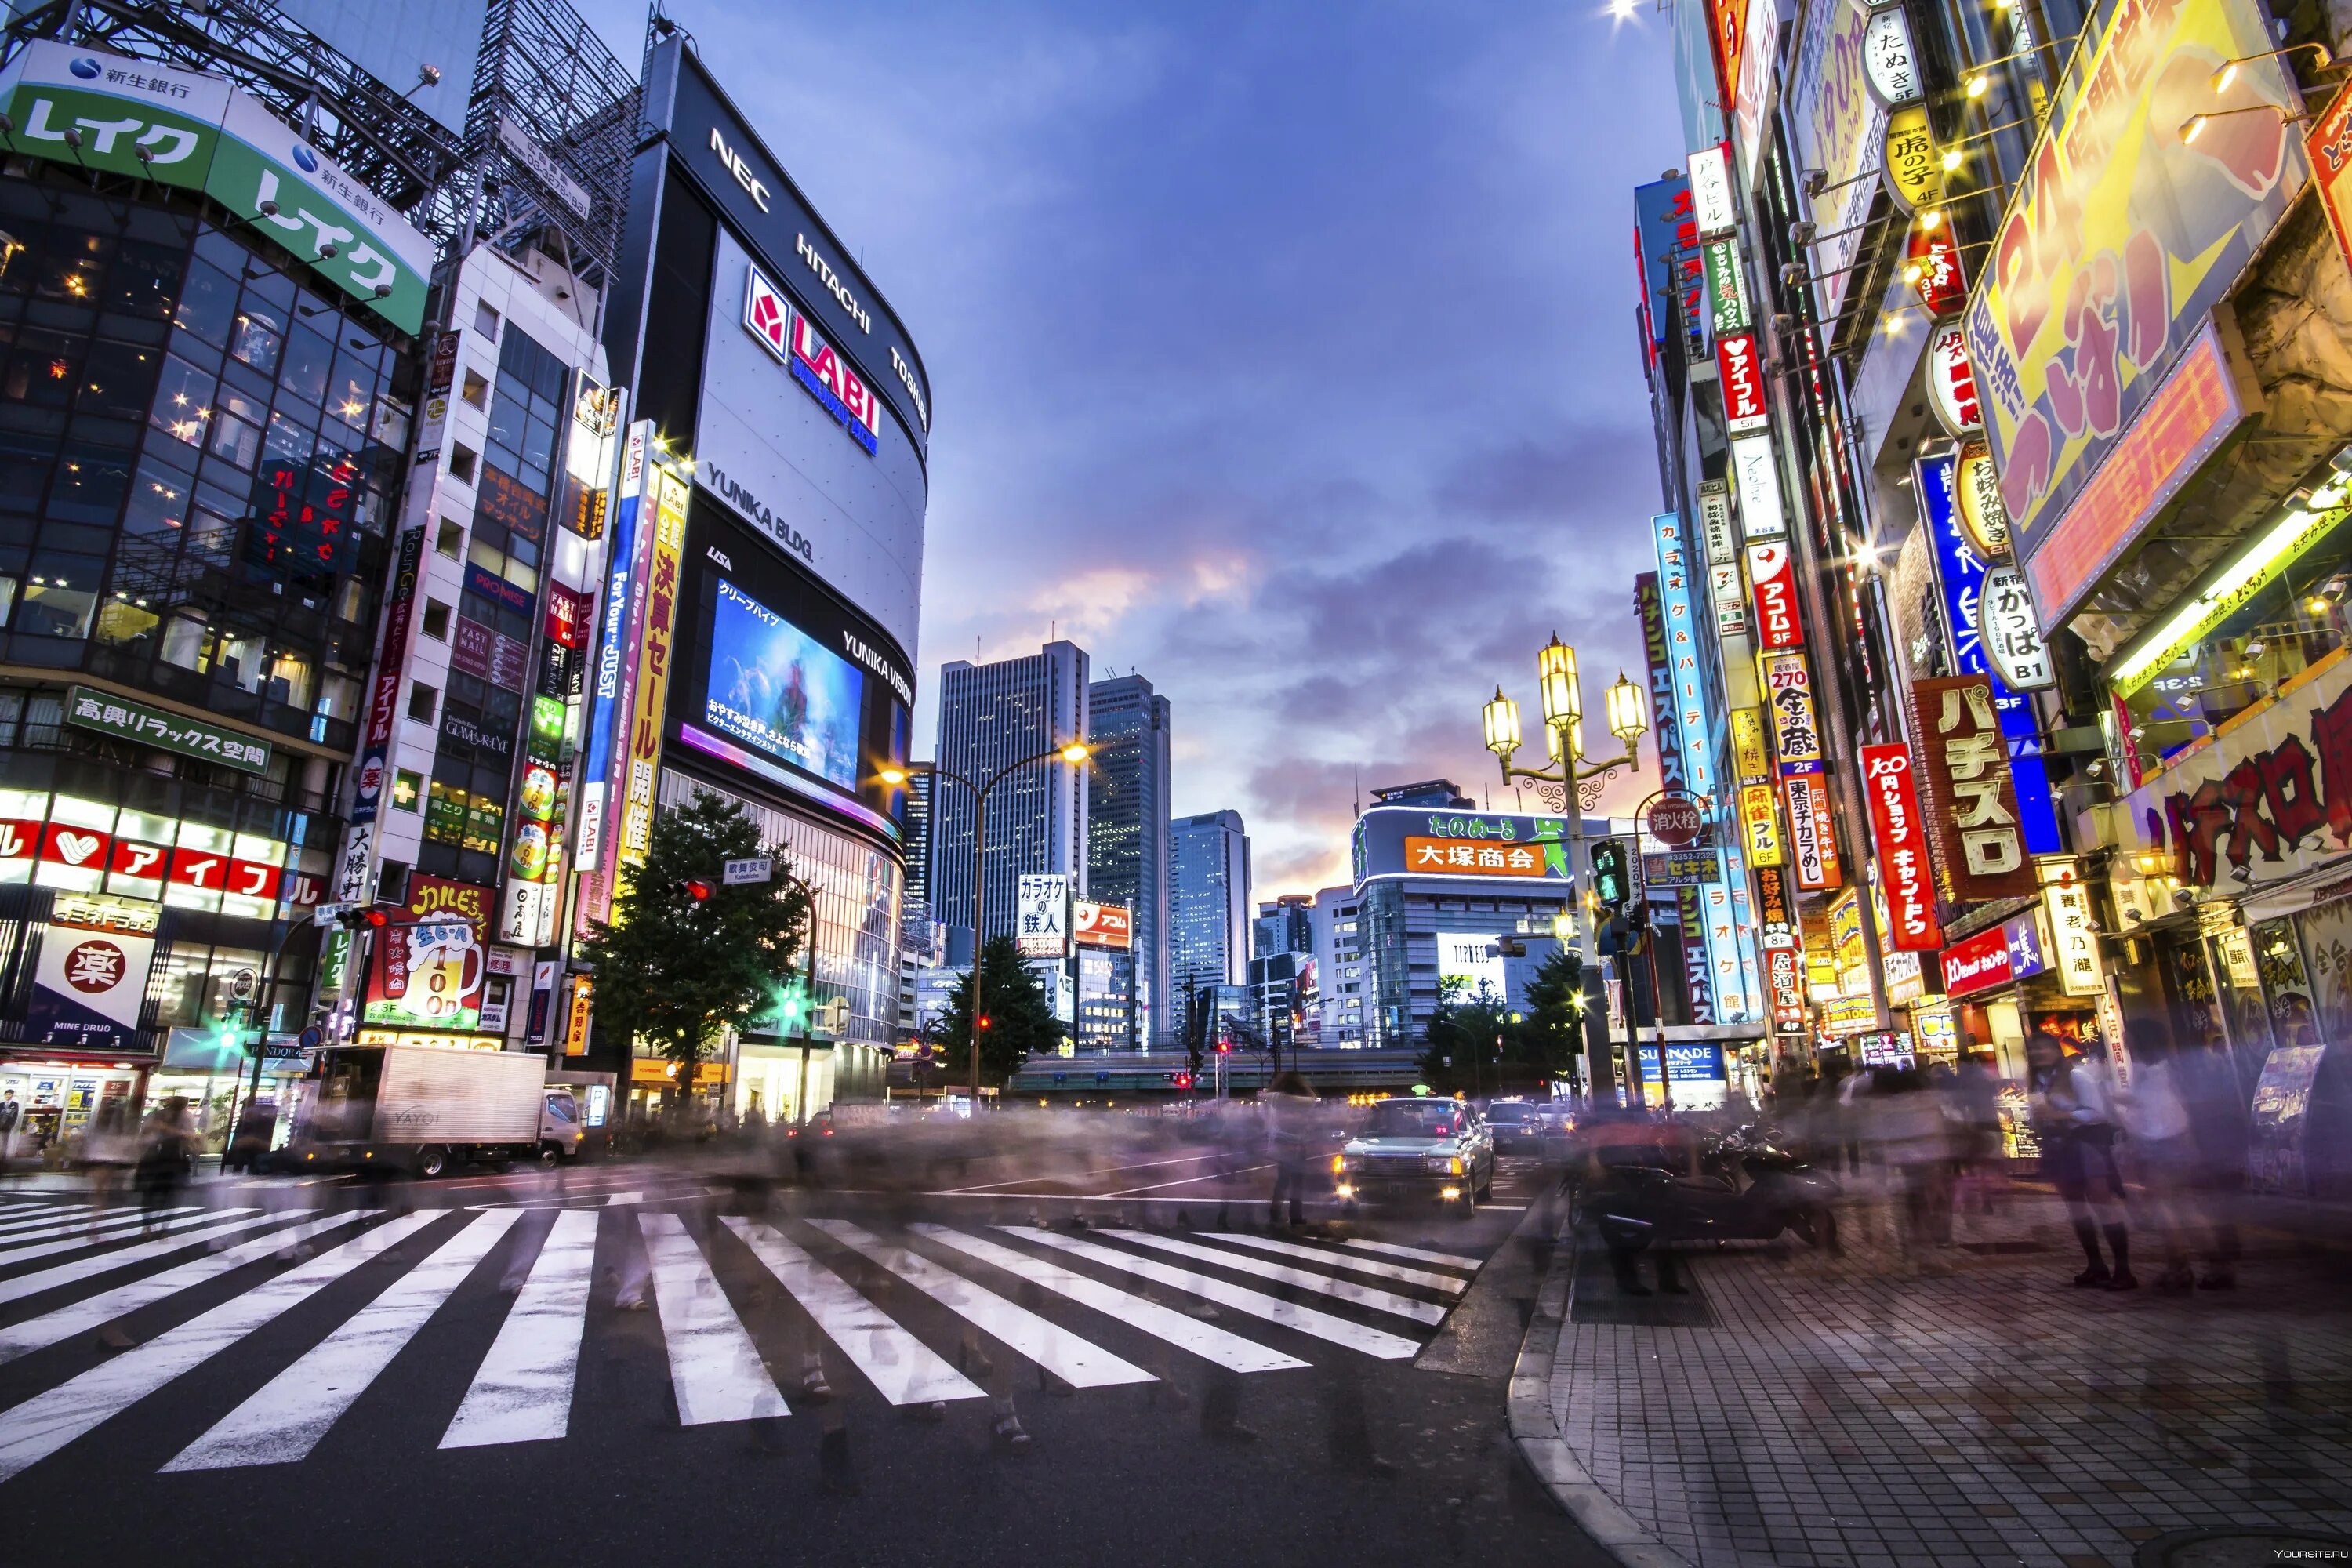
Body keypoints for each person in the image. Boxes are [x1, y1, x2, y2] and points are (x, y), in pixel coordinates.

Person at [2025, 1029, 2133, 1289]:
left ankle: (2124, 1270)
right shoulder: (2038, 1082)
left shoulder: (2077, 1076)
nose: (2039, 1053)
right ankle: (2095, 1265)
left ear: (2056, 1051)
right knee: (2075, 1208)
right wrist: (2038, 1119)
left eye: (2045, 1047)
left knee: (2102, 1203)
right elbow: (2036, 1115)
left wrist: (2059, 1116)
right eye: (2034, 1049)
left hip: (2086, 1146)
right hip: (2059, 1147)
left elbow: (2097, 1113)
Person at [2112, 1018, 2200, 1290]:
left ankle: (2179, 1268)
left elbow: (2145, 1107)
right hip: (2182, 1140)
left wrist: (2112, 1099)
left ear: (2139, 1039)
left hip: (2157, 1142)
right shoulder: (2172, 1065)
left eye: (2128, 1035)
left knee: (2164, 1207)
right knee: (2185, 1204)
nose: (2124, 1039)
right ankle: (2217, 1265)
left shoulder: (2145, 1070)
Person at [1263, 1072, 1320, 1228]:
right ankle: (1295, 1216)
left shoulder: (1275, 1098)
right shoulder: (1300, 1101)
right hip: (1297, 1143)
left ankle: (1274, 1214)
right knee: (1297, 1183)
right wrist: (1303, 1085)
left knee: (1282, 1182)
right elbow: (1313, 1098)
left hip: (1281, 1142)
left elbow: (1264, 1095)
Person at [132, 1097, 197, 1234]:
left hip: (171, 1158)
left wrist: (169, 1130)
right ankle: (150, 1226)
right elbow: (144, 1134)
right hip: (157, 1157)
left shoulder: (185, 1118)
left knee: (167, 1194)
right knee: (155, 1193)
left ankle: (156, 1227)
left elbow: (190, 1136)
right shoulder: (157, 1115)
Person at [0, 1090, 19, 1162]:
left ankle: (3, 1156)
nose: (8, 1096)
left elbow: (14, 1116)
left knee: (5, 1141)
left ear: (12, 1095)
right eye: (6, 1094)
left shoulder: (14, 1104)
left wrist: (11, 1125)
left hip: (7, 1126)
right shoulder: (1, 1104)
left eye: (9, 1094)